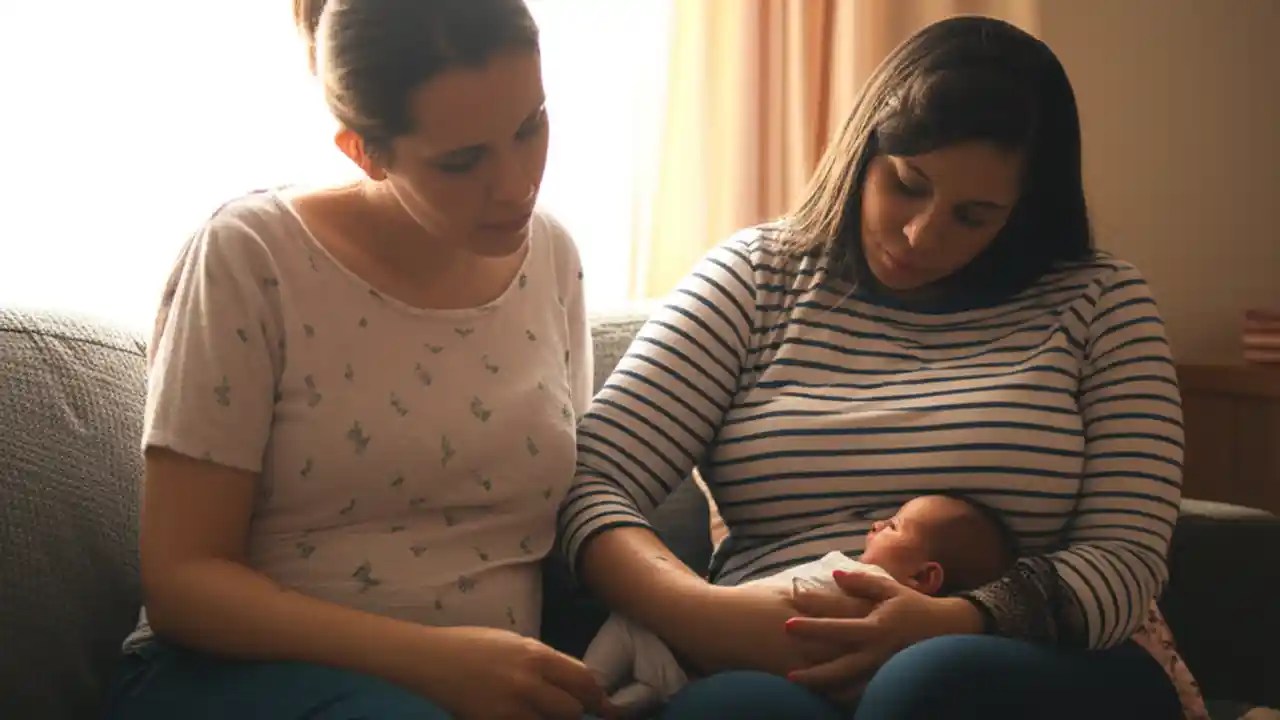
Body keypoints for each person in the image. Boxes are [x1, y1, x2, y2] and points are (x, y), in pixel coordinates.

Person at [557, 15, 1198, 720]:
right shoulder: (754, 279)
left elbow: (1127, 557)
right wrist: (707, 614)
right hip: (769, 656)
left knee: (924, 685)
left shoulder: (1099, 300)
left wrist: (950, 621)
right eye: (906, 184)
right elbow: (593, 478)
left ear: (1023, 211)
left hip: (1018, 658)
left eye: (974, 214)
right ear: (863, 153)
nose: (922, 233)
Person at [105, 1, 611, 718]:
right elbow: (184, 580)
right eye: (462, 160)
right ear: (363, 151)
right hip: (233, 678)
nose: (516, 184)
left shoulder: (552, 255)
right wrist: (434, 663)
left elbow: (563, 521)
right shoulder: (250, 256)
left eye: (530, 127)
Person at [585, 494, 1018, 718]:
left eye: (893, 525)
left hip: (690, 655)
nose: (876, 523)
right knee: (641, 690)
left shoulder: (870, 588)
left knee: (625, 630)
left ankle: (582, 688)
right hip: (693, 659)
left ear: (925, 578)